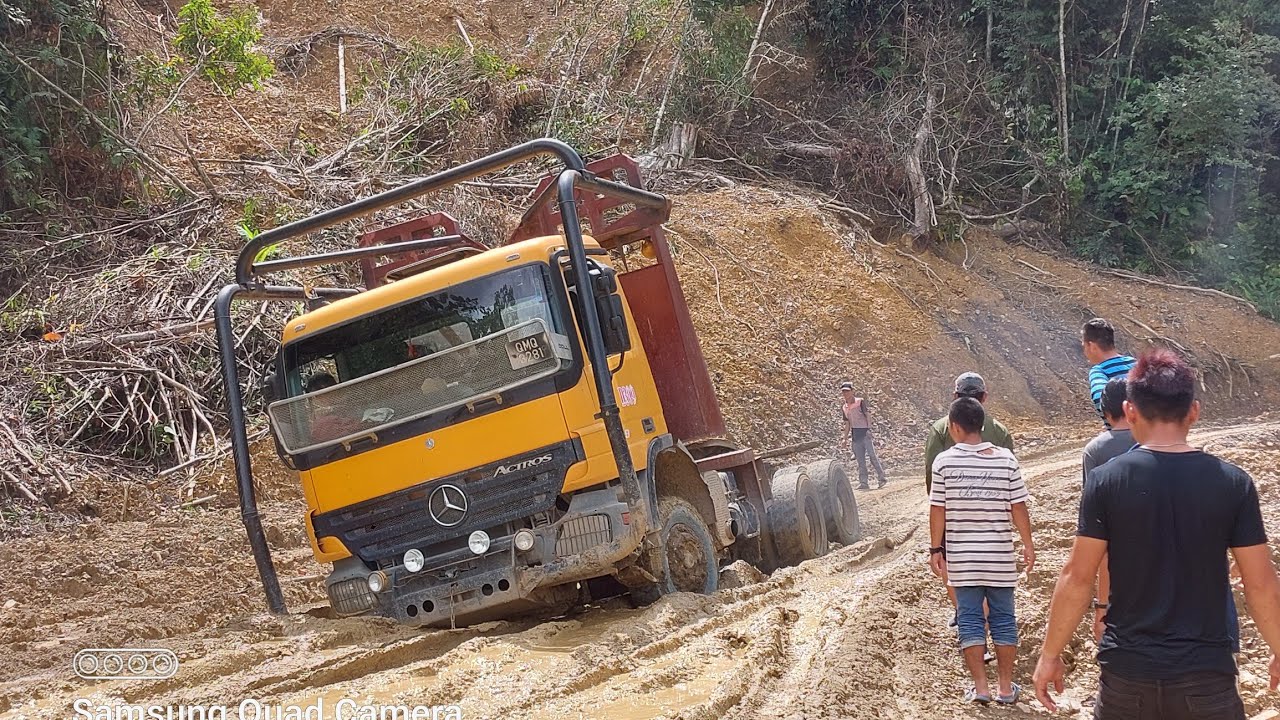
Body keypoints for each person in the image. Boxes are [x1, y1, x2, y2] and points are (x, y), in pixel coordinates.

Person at [1033, 350, 1280, 718]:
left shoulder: (1106, 481)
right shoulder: (1233, 484)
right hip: (1206, 679)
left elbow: (1077, 576)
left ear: (1130, 411)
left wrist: (1049, 655)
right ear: (1194, 412)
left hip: (1127, 678)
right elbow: (1260, 583)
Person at [930, 397, 1035, 705]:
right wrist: (1028, 544)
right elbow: (1019, 507)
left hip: (963, 560)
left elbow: (938, 509)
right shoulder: (1006, 460)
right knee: (1004, 619)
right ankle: (1005, 688)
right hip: (1000, 557)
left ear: (954, 427)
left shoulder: (945, 462)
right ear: (982, 425)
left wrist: (936, 548)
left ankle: (981, 688)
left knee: (970, 619)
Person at [1079, 377, 1135, 642]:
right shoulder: (1159, 442)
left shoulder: (1096, 451)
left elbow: (1097, 534)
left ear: (1106, 411)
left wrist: (1102, 607)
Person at [924, 372, 1014, 495]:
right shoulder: (1000, 431)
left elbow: (931, 471)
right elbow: (1009, 476)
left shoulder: (940, 428)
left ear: (955, 396)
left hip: (953, 506)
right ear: (984, 397)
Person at [1081, 318, 1135, 427]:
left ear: (1092, 346)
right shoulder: (1135, 363)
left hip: (1123, 435)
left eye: (1084, 346)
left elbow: (1101, 401)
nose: (1084, 351)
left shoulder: (1099, 371)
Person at [840, 381, 888, 490]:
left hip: (865, 433)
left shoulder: (860, 402)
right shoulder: (845, 407)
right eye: (844, 392)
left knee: (872, 456)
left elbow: (867, 415)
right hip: (855, 435)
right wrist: (845, 438)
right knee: (860, 460)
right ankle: (863, 482)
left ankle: (882, 478)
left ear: (852, 391)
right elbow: (847, 423)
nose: (845, 393)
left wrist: (869, 429)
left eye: (847, 391)